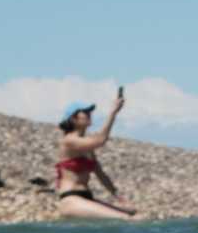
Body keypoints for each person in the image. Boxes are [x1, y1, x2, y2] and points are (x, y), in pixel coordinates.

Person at [54, 91, 138, 219]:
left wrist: (118, 196)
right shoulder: (69, 141)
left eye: (89, 112)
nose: (89, 114)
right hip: (71, 199)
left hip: (86, 197)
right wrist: (113, 113)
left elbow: (100, 174)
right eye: (85, 112)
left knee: (131, 213)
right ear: (73, 118)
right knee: (128, 219)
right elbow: (100, 140)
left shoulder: (86, 145)